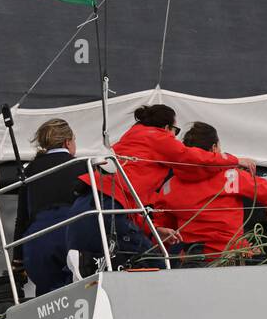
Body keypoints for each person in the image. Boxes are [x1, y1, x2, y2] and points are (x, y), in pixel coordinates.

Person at [69, 105, 256, 270]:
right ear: (167, 127)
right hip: (112, 203)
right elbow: (192, 158)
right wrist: (235, 160)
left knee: (127, 252)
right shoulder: (159, 138)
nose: (175, 137)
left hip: (92, 197)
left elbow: (131, 197)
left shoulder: (129, 139)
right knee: (155, 263)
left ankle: (88, 262)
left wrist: (153, 231)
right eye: (175, 130)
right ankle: (87, 263)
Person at [147, 121, 267, 264]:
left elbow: (162, 225)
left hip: (190, 260)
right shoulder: (231, 177)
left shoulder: (169, 186)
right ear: (215, 148)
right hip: (228, 259)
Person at [14, 118, 86, 295]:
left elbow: (22, 218)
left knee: (48, 299)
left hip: (37, 245)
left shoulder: (29, 170)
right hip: (72, 238)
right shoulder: (82, 166)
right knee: (79, 293)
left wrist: (17, 260)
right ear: (67, 142)